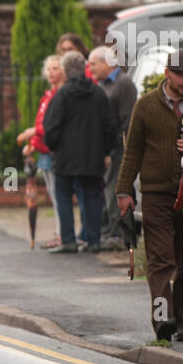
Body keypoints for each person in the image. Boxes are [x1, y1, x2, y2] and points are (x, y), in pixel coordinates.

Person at [116, 49, 183, 342]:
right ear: (167, 74)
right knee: (159, 260)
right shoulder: (145, 105)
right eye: (180, 75)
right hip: (155, 194)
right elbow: (133, 152)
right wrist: (124, 190)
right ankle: (162, 320)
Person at [41, 50, 116, 253]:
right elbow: (109, 126)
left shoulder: (62, 95)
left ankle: (68, 240)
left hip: (65, 157)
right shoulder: (98, 93)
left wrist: (54, 148)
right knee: (92, 196)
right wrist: (105, 151)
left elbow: (51, 126)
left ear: (65, 71)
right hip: (93, 156)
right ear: (84, 68)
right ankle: (93, 240)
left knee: (63, 196)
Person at [87, 45, 137, 247]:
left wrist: (114, 146)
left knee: (116, 189)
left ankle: (118, 235)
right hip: (105, 148)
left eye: (93, 64)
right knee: (106, 189)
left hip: (118, 148)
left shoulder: (123, 84)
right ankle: (107, 232)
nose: (90, 68)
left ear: (107, 63)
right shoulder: (101, 85)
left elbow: (128, 119)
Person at [18, 54, 66, 248]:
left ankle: (63, 235)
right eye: (49, 69)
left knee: (59, 195)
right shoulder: (47, 96)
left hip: (54, 150)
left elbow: (50, 125)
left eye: (55, 68)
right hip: (44, 150)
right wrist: (33, 144)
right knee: (53, 195)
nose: (51, 72)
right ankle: (60, 233)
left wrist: (32, 133)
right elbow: (42, 122)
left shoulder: (60, 95)